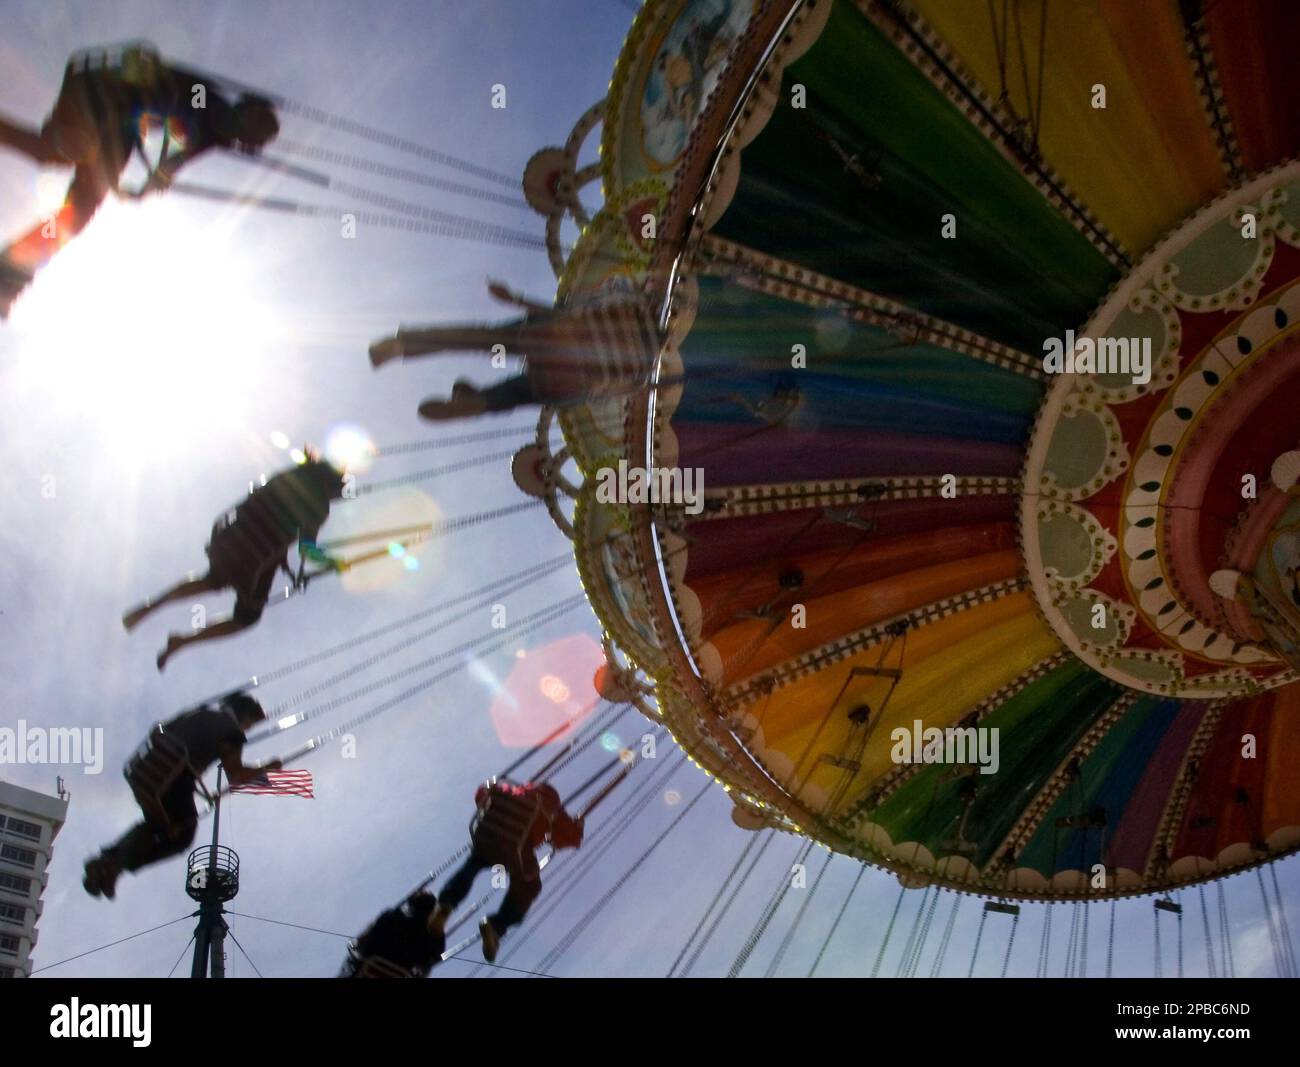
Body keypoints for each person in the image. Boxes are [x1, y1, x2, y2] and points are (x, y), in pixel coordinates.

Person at [0, 41, 279, 317]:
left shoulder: (212, 128)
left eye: (249, 137)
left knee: (53, 155)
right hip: (111, 109)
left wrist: (149, 184)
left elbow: (176, 157)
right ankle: (11, 272)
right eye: (250, 130)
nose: (241, 136)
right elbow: (190, 109)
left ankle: (13, 268)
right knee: (76, 204)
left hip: (96, 97)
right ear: (247, 113)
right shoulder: (208, 101)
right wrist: (154, 177)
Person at [122, 451, 346, 671]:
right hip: (254, 557)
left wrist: (282, 555)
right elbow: (307, 550)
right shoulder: (319, 505)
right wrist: (333, 562)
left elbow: (273, 514)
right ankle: (183, 641)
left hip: (233, 536)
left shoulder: (294, 474)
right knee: (247, 617)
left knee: (212, 581)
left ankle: (149, 607)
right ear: (331, 487)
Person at [368, 281, 663, 421]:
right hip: (571, 349)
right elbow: (564, 312)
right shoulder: (627, 297)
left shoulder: (625, 297)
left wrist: (517, 300)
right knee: (487, 341)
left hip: (576, 361)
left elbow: (567, 312)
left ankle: (405, 345)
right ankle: (405, 345)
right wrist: (515, 299)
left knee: (489, 347)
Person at [83, 693, 279, 900]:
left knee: (157, 824)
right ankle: (115, 865)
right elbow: (236, 774)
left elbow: (166, 733)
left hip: (146, 772)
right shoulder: (231, 731)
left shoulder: (201, 712)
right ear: (245, 716)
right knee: (182, 834)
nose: (248, 729)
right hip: (173, 778)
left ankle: (110, 859)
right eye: (250, 724)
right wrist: (268, 768)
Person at [430, 779, 584, 962]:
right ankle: (497, 926)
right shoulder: (553, 810)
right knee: (529, 885)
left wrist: (491, 792)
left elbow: (481, 795)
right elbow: (568, 839)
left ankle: (446, 903)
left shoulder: (510, 789)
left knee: (472, 865)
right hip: (516, 847)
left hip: (487, 836)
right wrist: (578, 827)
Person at [340, 891, 446, 978]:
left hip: (367, 967)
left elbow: (364, 938)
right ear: (432, 911)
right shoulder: (432, 933)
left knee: (356, 954)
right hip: (397, 972)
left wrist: (354, 946)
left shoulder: (391, 916)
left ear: (411, 903)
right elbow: (432, 960)